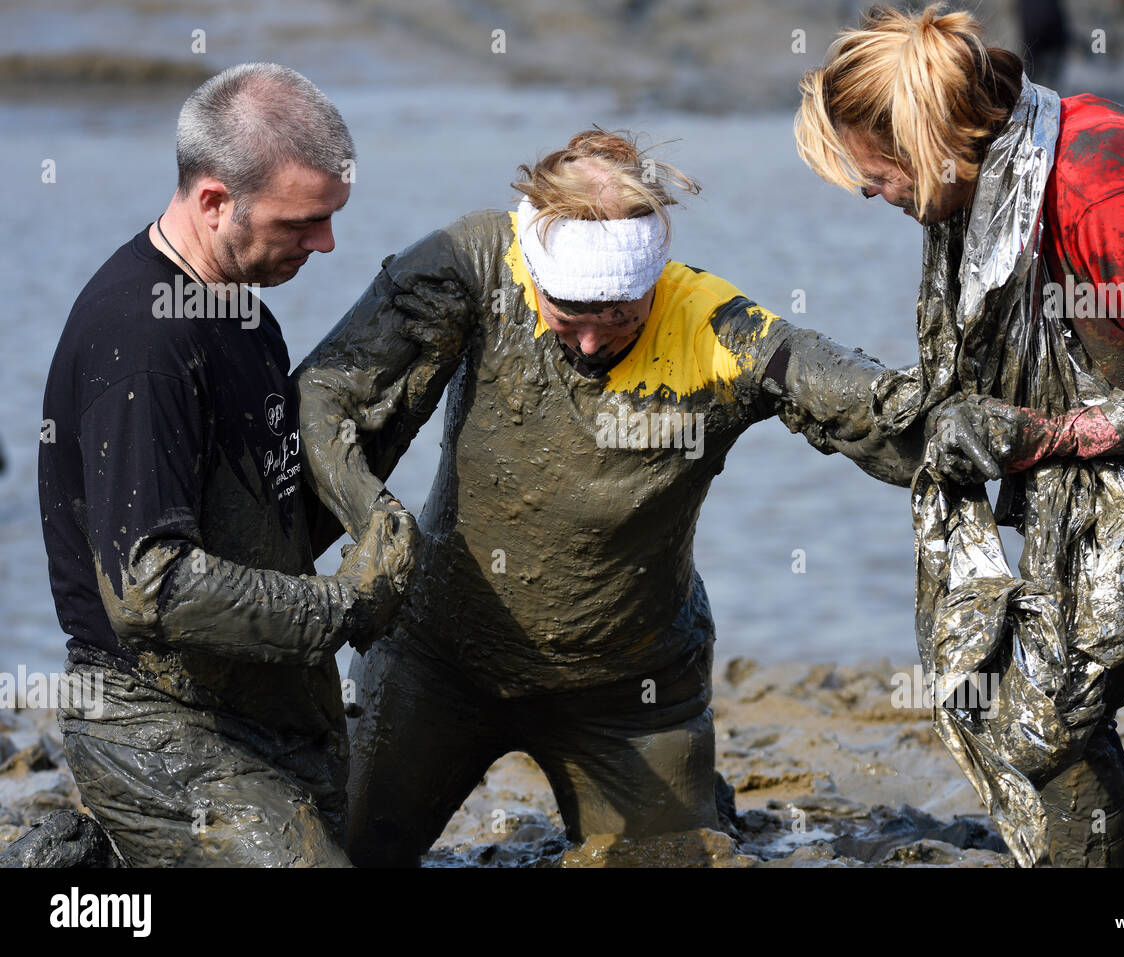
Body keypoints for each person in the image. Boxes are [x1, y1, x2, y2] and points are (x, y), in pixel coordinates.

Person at [294, 128, 922, 866]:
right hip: (436, 659)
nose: (591, 342)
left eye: (620, 315)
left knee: (677, 857)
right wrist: (373, 516)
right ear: (533, 267)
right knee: (337, 853)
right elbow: (325, 392)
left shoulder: (719, 326)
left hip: (632, 687)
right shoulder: (469, 263)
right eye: (570, 314)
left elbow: (874, 412)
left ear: (654, 281)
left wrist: (1008, 435)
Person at [796, 3, 1124, 867]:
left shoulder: (1096, 188)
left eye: (876, 177)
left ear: (928, 145)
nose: (873, 197)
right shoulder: (1001, 171)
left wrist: (1046, 434)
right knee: (1053, 679)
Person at [37, 63, 418, 867]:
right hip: (151, 719)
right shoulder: (144, 345)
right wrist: (345, 605)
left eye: (331, 217)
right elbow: (151, 584)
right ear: (215, 201)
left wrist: (402, 400)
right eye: (303, 222)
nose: (326, 243)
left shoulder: (238, 307)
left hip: (267, 696)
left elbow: (272, 521)